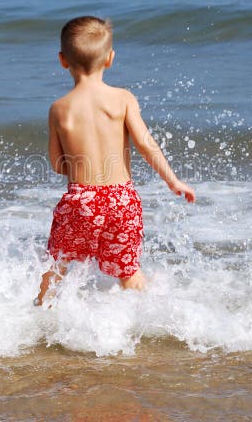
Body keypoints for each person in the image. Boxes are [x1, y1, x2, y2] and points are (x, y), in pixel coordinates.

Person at [35, 16, 195, 306]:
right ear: (110, 58)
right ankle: (154, 320)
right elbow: (146, 145)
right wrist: (173, 180)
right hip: (121, 201)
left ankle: (40, 315)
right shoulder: (122, 99)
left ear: (62, 60)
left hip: (80, 201)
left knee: (57, 266)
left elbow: (58, 165)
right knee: (129, 272)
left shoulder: (59, 109)